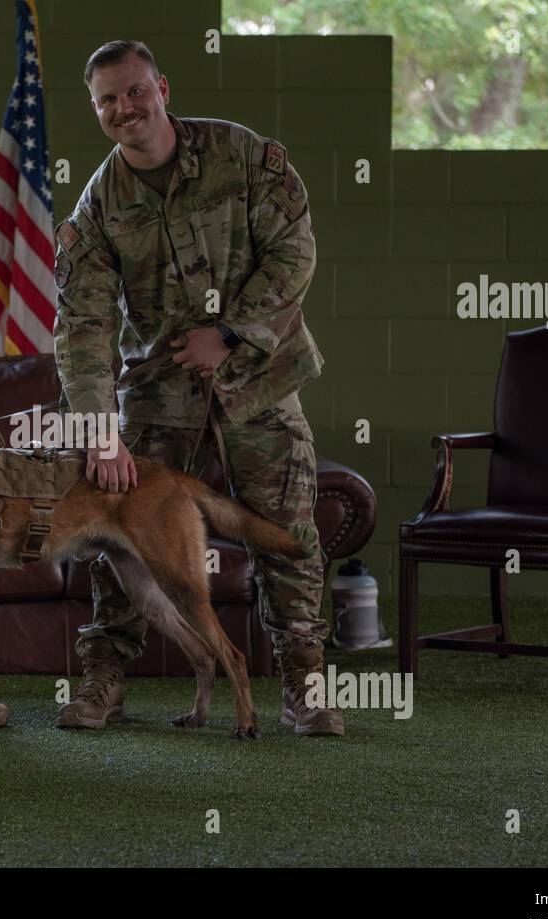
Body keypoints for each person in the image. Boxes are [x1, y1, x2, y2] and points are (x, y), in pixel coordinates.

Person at [52, 40, 344, 736]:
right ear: (96, 110)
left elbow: (294, 250)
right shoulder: (96, 209)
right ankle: (104, 676)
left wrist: (232, 332)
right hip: (158, 392)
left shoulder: (240, 156)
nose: (125, 108)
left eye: (134, 91)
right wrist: (100, 428)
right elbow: (84, 325)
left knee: (288, 534)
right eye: (108, 100)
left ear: (162, 86)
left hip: (260, 377)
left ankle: (305, 685)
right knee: (117, 529)